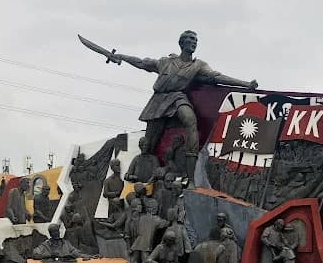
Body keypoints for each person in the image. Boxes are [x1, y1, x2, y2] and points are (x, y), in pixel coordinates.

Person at [108, 30, 258, 186]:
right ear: (181, 43)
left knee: (191, 121)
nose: (194, 42)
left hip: (178, 97)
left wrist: (246, 84)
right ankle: (145, 179)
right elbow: (141, 62)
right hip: (159, 101)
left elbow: (216, 77)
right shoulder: (165, 62)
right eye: (190, 39)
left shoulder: (198, 65)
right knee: (150, 143)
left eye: (195, 40)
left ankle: (191, 178)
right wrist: (120, 57)